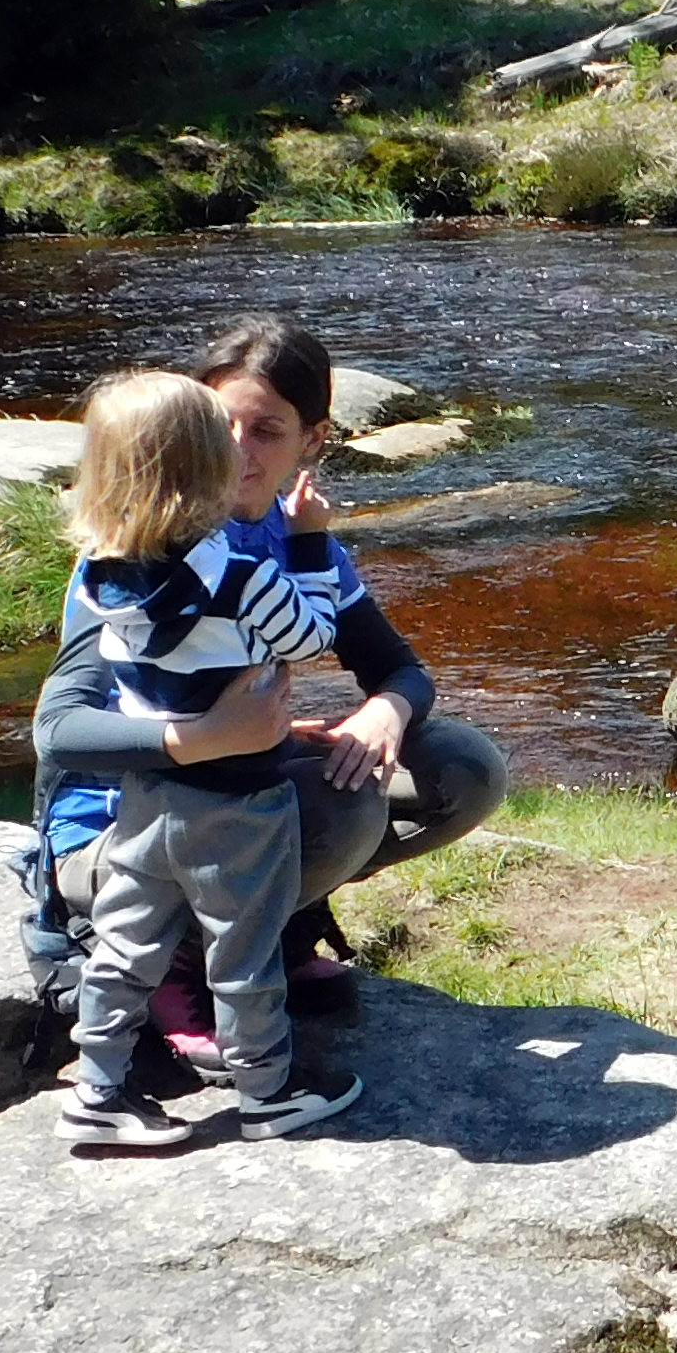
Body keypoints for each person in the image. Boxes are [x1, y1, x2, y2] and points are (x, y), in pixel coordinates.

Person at [36, 368, 364, 1153]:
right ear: (209, 468)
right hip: (236, 803)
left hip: (145, 798)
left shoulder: (106, 574)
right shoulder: (241, 577)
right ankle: (267, 1091)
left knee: (125, 947)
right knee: (244, 952)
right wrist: (310, 544)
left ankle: (97, 1091)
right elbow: (313, 635)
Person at [171, 313, 508, 1031]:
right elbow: (66, 729)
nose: (237, 452)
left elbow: (398, 668)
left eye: (266, 431)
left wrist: (383, 713)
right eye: (222, 425)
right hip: (138, 813)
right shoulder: (152, 537)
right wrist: (207, 735)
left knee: (466, 767)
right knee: (349, 806)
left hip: (239, 772)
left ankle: (277, 925)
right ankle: (175, 959)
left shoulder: (298, 535)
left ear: (313, 440)